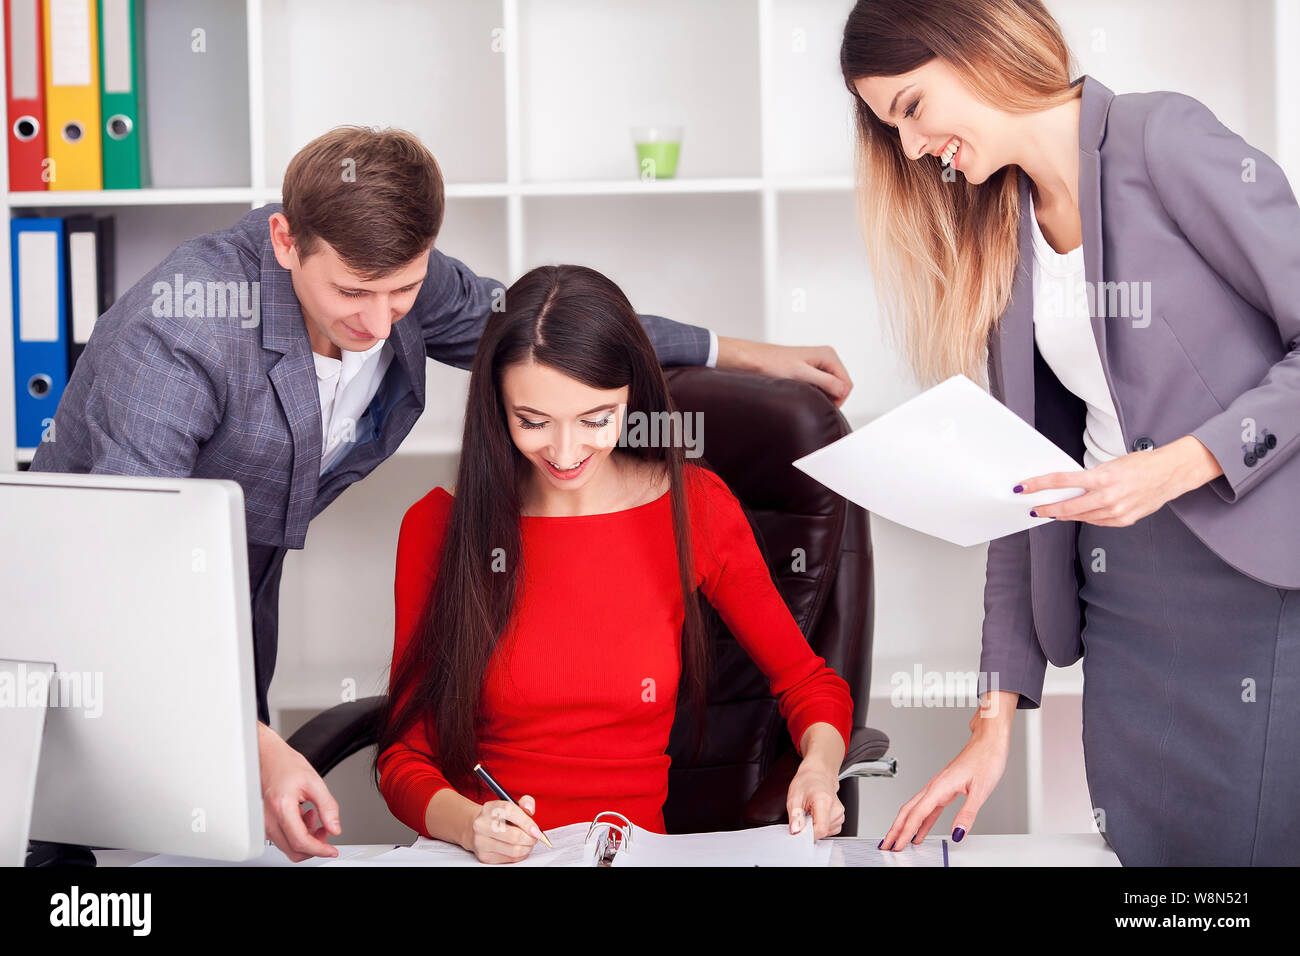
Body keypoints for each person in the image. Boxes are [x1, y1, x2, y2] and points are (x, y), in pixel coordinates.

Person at [28, 126, 855, 863]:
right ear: (285, 241)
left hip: (233, 589)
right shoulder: (181, 336)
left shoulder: (403, 287)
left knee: (200, 831)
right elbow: (133, 583)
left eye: (404, 290)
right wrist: (266, 749)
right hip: (87, 602)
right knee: (72, 833)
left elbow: (557, 329)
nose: (382, 322)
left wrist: (741, 353)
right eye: (353, 292)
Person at [840, 0, 1298, 865]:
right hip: (1121, 611)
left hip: (1252, 595)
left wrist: (1184, 463)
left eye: (909, 107)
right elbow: (1025, 489)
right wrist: (991, 721)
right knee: (1152, 874)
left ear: (975, 46)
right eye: (886, 126)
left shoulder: (1158, 139)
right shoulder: (999, 231)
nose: (908, 148)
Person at [374, 264, 854, 862]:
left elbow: (809, 684)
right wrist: (470, 824)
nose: (567, 452)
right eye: (533, 422)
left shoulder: (694, 507)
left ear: (633, 394)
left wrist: (819, 766)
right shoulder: (439, 527)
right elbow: (403, 757)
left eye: (596, 419)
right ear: (496, 407)